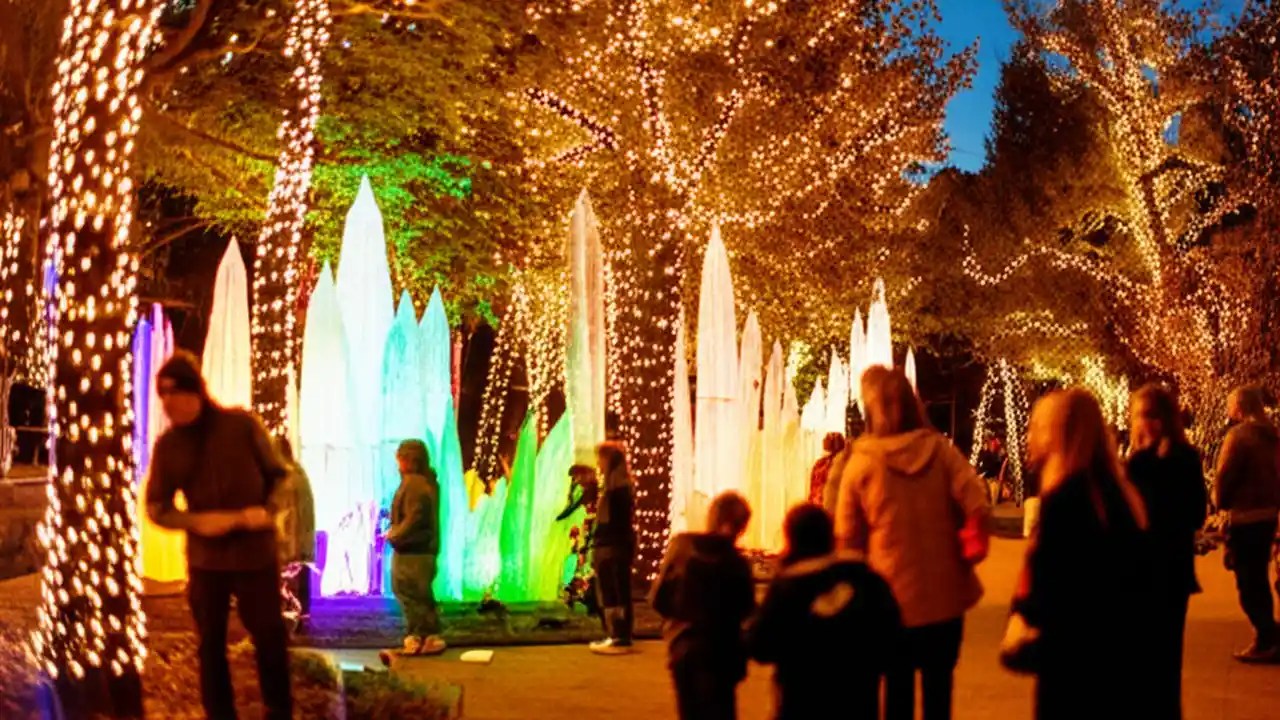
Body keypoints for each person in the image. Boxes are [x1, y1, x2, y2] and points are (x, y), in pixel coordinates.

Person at [835, 366, 989, 720]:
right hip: (945, 597)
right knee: (939, 691)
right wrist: (965, 548)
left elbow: (847, 539)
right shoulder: (941, 452)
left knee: (896, 692)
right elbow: (977, 503)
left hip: (887, 603)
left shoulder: (861, 464)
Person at [145, 351, 292, 720]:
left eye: (174, 396)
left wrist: (267, 511)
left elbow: (280, 476)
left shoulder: (241, 427)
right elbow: (156, 506)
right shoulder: (170, 447)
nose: (168, 406)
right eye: (162, 399)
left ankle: (280, 711)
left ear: (195, 392)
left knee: (269, 638)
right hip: (206, 561)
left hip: (254, 554)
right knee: (210, 645)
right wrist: (195, 522)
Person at [1012, 389, 1152, 720]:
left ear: (1057, 432)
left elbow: (1053, 586)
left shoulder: (1066, 498)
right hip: (1115, 655)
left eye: (1038, 427)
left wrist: (1024, 618)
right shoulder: (1119, 494)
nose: (1031, 437)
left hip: (1073, 659)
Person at [747, 504, 902, 720]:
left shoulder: (787, 590)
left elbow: (760, 647)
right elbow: (893, 641)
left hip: (800, 705)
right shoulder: (867, 580)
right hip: (858, 704)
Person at [1127, 384, 1208, 717]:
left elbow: (1194, 512)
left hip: (1169, 571)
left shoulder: (1184, 458)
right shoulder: (1136, 460)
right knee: (1140, 658)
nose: (1145, 424)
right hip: (1137, 573)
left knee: (1166, 655)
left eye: (1151, 416)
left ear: (1165, 419)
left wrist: (1155, 465)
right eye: (1140, 416)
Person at [650, 491, 755, 720]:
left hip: (683, 645)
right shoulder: (737, 564)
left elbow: (658, 598)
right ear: (741, 527)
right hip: (722, 652)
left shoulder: (681, 547)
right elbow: (747, 610)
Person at [1214, 385, 1280, 662]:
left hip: (1245, 516)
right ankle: (1269, 636)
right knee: (1258, 578)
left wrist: (1220, 504)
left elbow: (1225, 477)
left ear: (1239, 407)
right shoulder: (1273, 435)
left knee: (1248, 582)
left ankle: (1267, 637)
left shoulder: (1239, 437)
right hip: (1268, 515)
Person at [386, 439, 446, 656]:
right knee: (418, 594)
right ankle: (424, 636)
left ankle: (423, 635)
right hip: (420, 551)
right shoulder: (426, 483)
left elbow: (415, 518)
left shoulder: (414, 484)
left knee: (411, 593)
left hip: (412, 552)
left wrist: (394, 535)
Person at [590, 441, 637, 655]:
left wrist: (605, 541)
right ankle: (616, 633)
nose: (598, 463)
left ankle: (619, 635)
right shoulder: (614, 487)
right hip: (612, 545)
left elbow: (618, 523)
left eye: (600, 458)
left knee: (615, 589)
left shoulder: (618, 490)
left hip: (613, 546)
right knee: (613, 588)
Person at [272, 437, 317, 622]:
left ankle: (292, 617)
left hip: (291, 537)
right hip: (300, 535)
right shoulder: (298, 473)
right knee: (298, 576)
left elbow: (285, 510)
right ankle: (301, 614)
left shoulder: (286, 476)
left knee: (290, 578)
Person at [809, 433, 846, 505]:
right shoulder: (820, 463)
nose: (823, 440)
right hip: (820, 504)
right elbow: (813, 488)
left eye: (827, 438)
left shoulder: (841, 464)